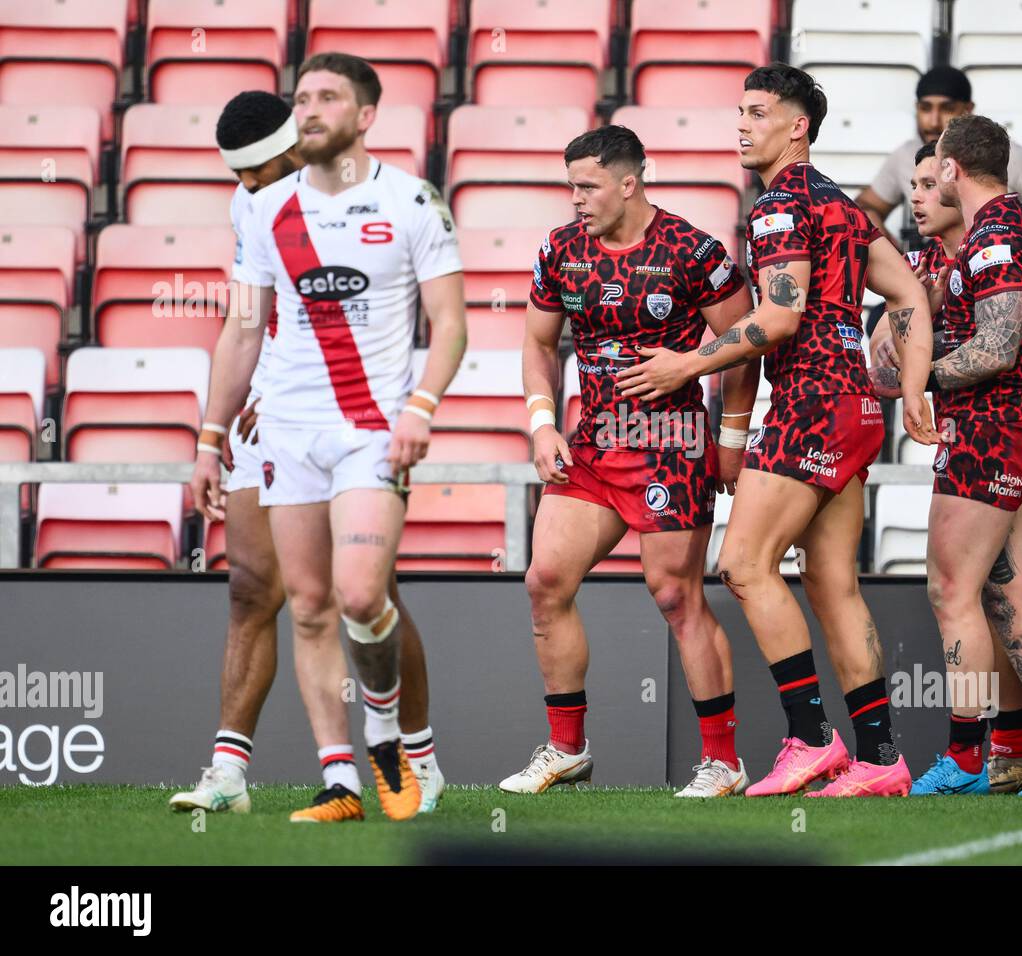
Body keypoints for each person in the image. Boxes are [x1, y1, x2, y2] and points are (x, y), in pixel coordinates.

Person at [616, 63, 936, 798]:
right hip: (855, 407)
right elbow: (910, 291)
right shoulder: (844, 206)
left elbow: (779, 318)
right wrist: (911, 387)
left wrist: (683, 365)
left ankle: (811, 738)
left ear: (798, 127)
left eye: (758, 113)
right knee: (832, 586)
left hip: (810, 403)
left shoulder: (781, 205)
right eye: (739, 111)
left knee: (745, 565)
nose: (741, 124)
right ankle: (882, 757)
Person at [189, 54, 466, 821]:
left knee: (365, 594)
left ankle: (409, 749)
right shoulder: (260, 212)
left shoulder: (407, 199)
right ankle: (318, 776)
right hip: (276, 424)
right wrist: (212, 433)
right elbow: (244, 328)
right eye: (302, 96)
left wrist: (422, 406)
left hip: (368, 424)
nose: (309, 109)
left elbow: (449, 324)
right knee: (278, 595)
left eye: (327, 97)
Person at [501, 125, 754, 798]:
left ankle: (723, 762)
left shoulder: (692, 251)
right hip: (593, 442)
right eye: (571, 186)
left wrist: (730, 440)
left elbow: (744, 342)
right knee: (544, 580)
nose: (576, 199)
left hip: (671, 442)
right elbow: (535, 342)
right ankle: (566, 748)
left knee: (675, 596)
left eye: (587, 186)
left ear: (628, 183)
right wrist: (542, 424)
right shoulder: (561, 249)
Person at [906, 114, 1022, 797]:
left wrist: (917, 381)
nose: (926, 186)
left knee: (951, 591)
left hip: (991, 434)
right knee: (1008, 600)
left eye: (934, 172)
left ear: (954, 168)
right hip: (1010, 433)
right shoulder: (1011, 229)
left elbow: (996, 349)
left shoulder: (994, 239)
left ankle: (962, 758)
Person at [854, 66, 1022, 246]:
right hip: (939, 277)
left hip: (999, 268)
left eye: (947, 108)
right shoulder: (905, 156)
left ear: (968, 110)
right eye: (925, 108)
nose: (934, 121)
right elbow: (864, 208)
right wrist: (897, 262)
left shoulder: (1013, 158)